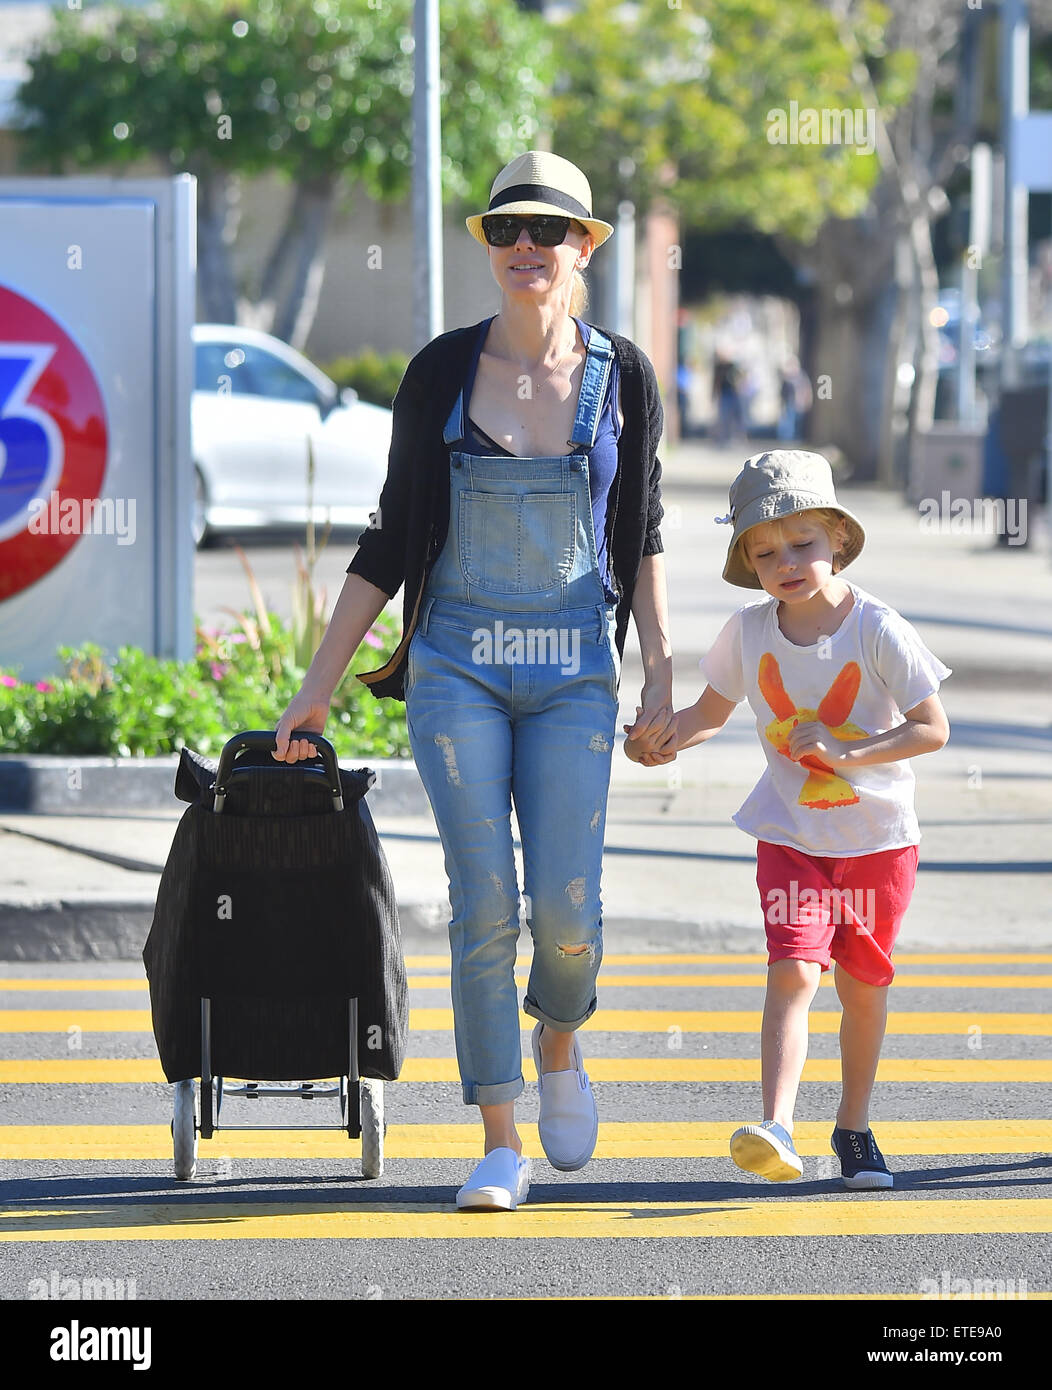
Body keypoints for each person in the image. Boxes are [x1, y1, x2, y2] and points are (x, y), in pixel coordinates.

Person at [272, 150, 673, 1210]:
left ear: (585, 245)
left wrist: (662, 676)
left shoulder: (622, 376)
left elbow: (640, 537)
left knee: (570, 911)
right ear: (487, 247)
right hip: (457, 665)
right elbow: (390, 534)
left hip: (574, 670)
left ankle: (557, 1038)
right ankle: (499, 1138)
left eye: (549, 230)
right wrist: (320, 681)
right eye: (505, 231)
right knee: (481, 899)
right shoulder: (441, 372)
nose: (526, 247)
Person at [624, 450, 950, 1188]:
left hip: (878, 842)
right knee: (794, 973)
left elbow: (933, 729)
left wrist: (847, 749)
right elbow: (710, 711)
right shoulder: (749, 632)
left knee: (863, 989)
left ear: (837, 537)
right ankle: (776, 1124)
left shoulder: (878, 628)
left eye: (802, 543)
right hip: (791, 837)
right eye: (765, 552)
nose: (787, 562)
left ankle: (855, 1127)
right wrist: (660, 741)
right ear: (747, 562)